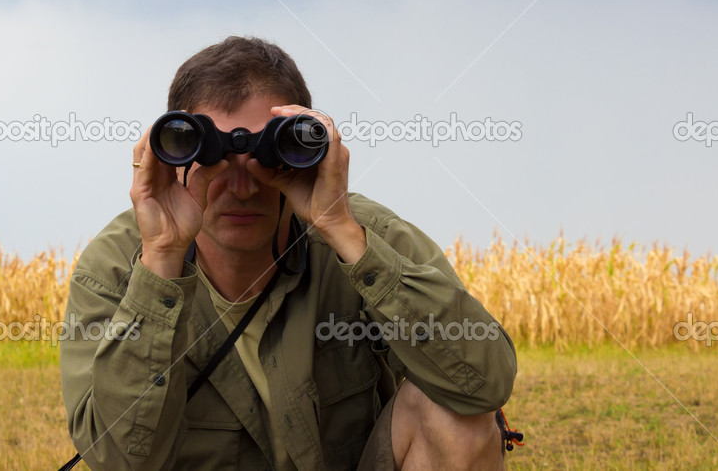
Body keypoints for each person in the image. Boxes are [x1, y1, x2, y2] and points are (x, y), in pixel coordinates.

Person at [60, 36, 517, 470]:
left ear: (306, 147)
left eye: (267, 153)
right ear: (175, 153)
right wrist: (161, 257)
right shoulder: (118, 267)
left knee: (459, 415)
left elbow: (483, 383)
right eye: (214, 154)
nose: (241, 187)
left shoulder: (359, 233)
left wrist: (343, 234)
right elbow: (119, 462)